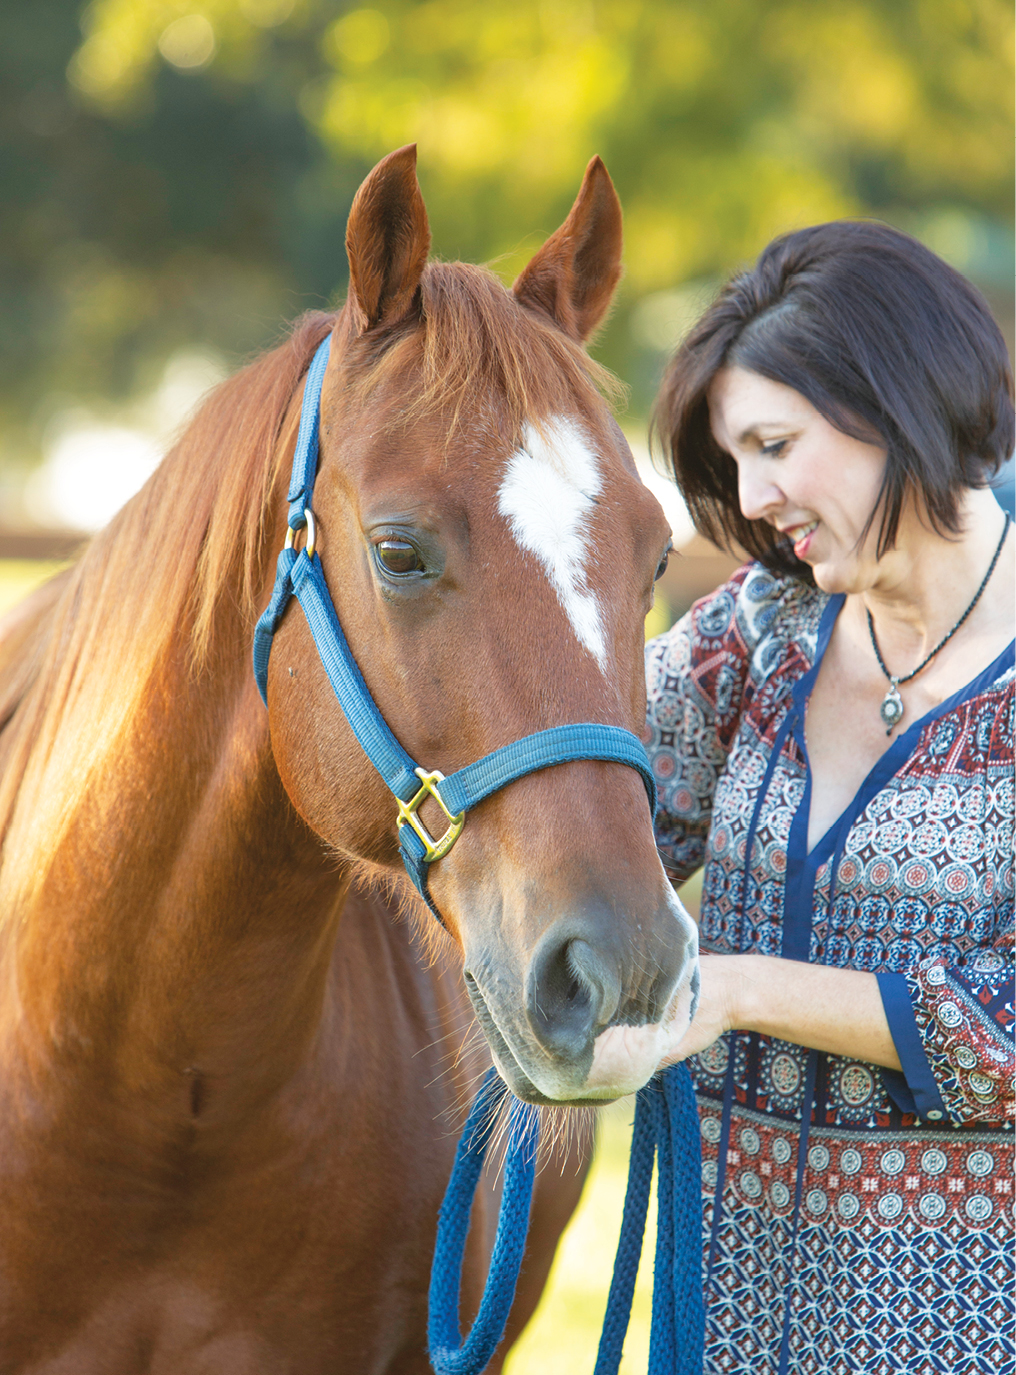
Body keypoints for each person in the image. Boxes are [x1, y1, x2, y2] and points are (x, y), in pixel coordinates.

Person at [645, 220, 1014, 1375]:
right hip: (719, 1318)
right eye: (734, 458)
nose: (752, 498)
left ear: (891, 400)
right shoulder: (756, 634)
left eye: (772, 443)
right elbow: (576, 810)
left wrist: (735, 990)